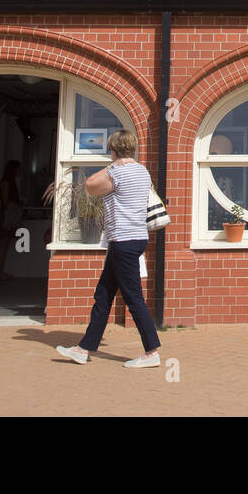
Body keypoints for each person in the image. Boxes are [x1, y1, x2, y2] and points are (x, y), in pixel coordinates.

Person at [55, 131, 161, 369]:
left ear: (113, 149)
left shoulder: (117, 172)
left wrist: (112, 164)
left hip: (123, 241)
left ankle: (151, 351)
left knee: (134, 298)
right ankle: (84, 348)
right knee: (103, 294)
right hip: (131, 239)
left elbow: (90, 186)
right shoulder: (142, 171)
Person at [0, 160, 23, 281]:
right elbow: (5, 202)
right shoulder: (6, 182)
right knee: (3, 243)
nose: (20, 171)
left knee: (5, 244)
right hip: (7, 215)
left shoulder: (11, 182)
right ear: (13, 169)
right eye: (18, 168)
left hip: (8, 214)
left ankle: (0, 271)